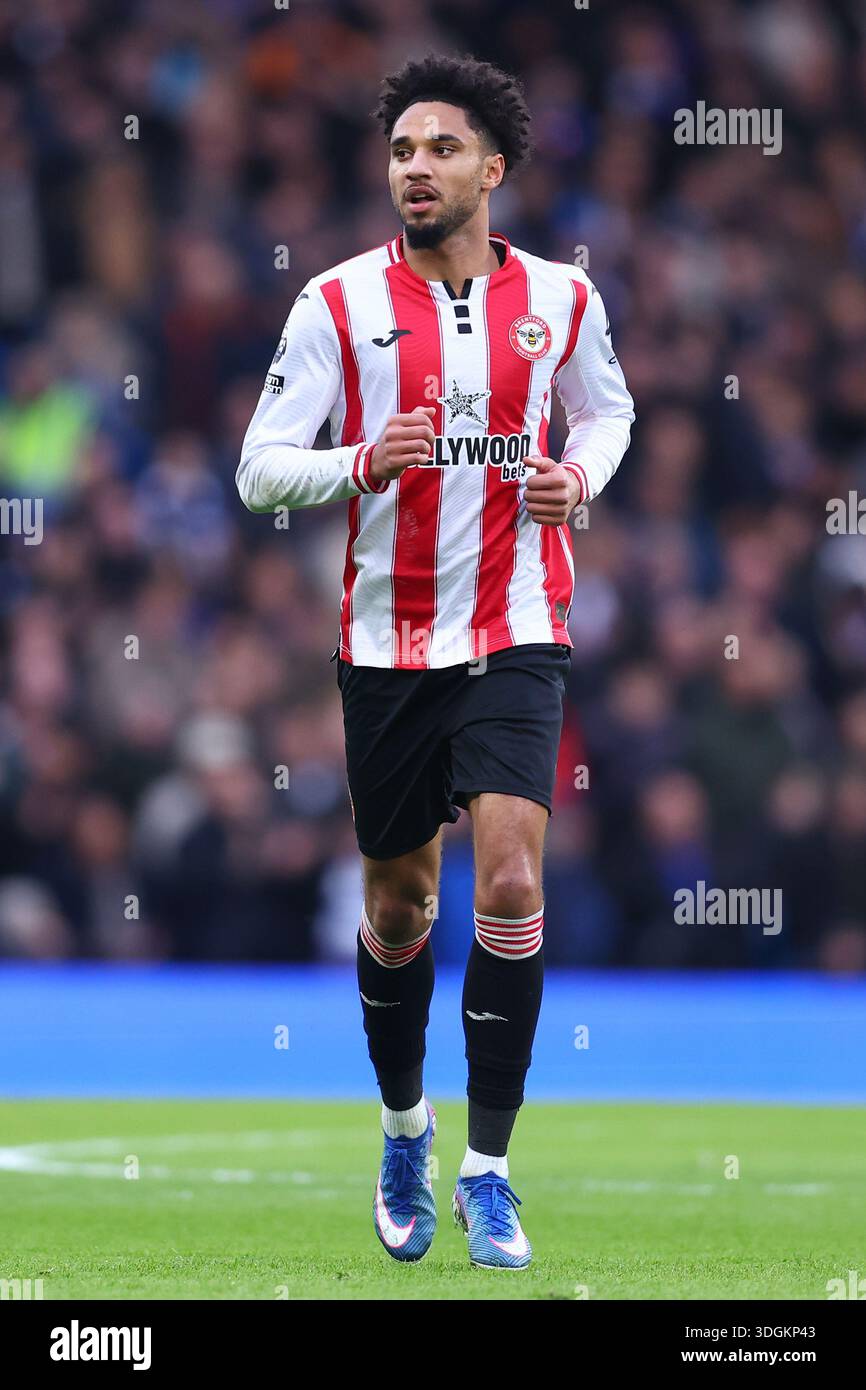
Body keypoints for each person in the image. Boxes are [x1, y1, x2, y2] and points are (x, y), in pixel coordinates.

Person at [237, 52, 634, 1269]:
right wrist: (360, 461)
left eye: (441, 149)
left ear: (492, 169)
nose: (416, 168)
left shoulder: (561, 300)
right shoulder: (336, 306)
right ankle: (405, 1131)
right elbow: (258, 470)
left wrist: (579, 475)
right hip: (385, 644)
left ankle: (489, 1169)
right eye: (402, 150)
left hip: (517, 622)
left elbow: (608, 411)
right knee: (402, 902)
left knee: (510, 881)